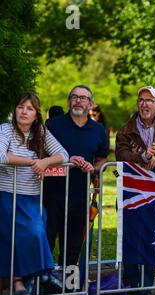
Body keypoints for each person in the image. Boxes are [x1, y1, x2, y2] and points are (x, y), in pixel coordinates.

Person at [0, 93, 69, 295]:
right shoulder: (5, 130)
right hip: (7, 194)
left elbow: (63, 154)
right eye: (21, 107)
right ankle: (22, 279)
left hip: (32, 197)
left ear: (36, 115)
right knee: (15, 238)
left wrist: (45, 162)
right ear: (15, 110)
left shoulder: (41, 132)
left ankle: (35, 275)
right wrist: (32, 162)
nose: (24, 112)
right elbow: (1, 155)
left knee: (36, 232)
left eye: (29, 109)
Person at [115, 85, 155, 295]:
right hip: (133, 192)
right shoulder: (127, 128)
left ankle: (145, 289)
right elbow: (121, 153)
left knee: (153, 238)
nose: (144, 104)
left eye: (149, 100)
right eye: (141, 100)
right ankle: (133, 286)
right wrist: (143, 158)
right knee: (132, 238)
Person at [44, 85, 109, 268]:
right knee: (46, 243)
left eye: (83, 98)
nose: (78, 100)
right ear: (68, 101)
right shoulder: (53, 125)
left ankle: (69, 289)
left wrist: (94, 168)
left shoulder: (98, 130)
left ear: (90, 103)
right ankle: (43, 286)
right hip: (51, 195)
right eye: (74, 97)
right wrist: (63, 160)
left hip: (80, 196)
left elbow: (103, 159)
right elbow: (41, 154)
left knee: (72, 247)